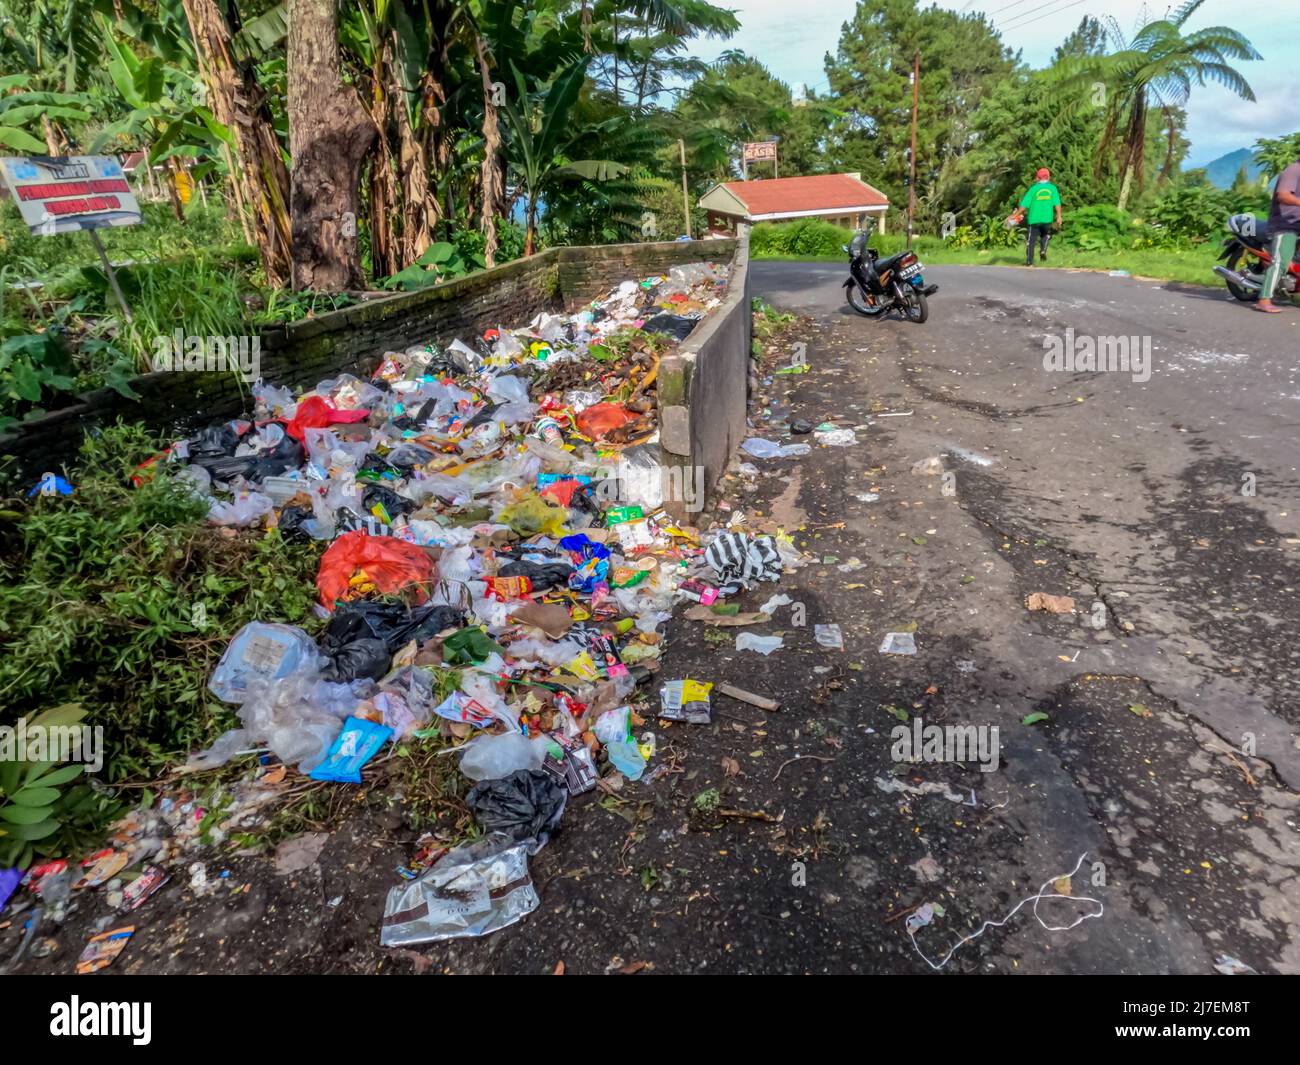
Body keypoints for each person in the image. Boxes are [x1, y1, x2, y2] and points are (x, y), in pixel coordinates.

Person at [1256, 152, 1300, 314]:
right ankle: (1264, 300)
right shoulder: (1293, 170)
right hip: (1285, 224)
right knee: (1280, 262)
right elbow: (1283, 195)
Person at [1012, 167, 1062, 266]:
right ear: (1048, 177)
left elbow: (1024, 206)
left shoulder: (1033, 189)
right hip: (1047, 219)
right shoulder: (1052, 188)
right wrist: (1059, 216)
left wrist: (1015, 215)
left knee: (1031, 241)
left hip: (1034, 219)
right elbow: (1057, 203)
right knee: (1046, 235)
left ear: (1037, 178)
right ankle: (1043, 250)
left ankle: (1029, 262)